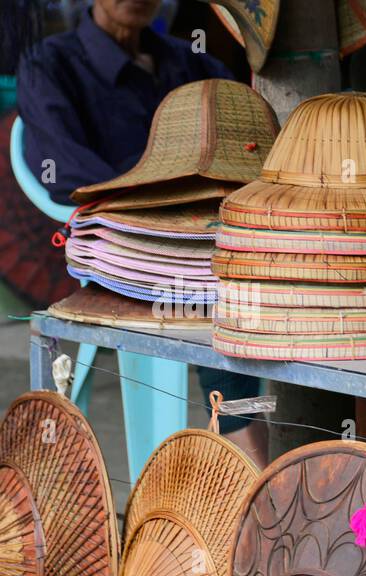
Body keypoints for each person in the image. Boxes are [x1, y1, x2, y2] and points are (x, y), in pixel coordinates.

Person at [17, 0, 268, 465]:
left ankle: (250, 440)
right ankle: (248, 448)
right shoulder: (50, 63)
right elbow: (65, 172)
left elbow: (244, 134)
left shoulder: (188, 60)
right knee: (217, 290)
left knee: (249, 280)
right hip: (117, 243)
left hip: (203, 237)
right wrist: (159, 200)